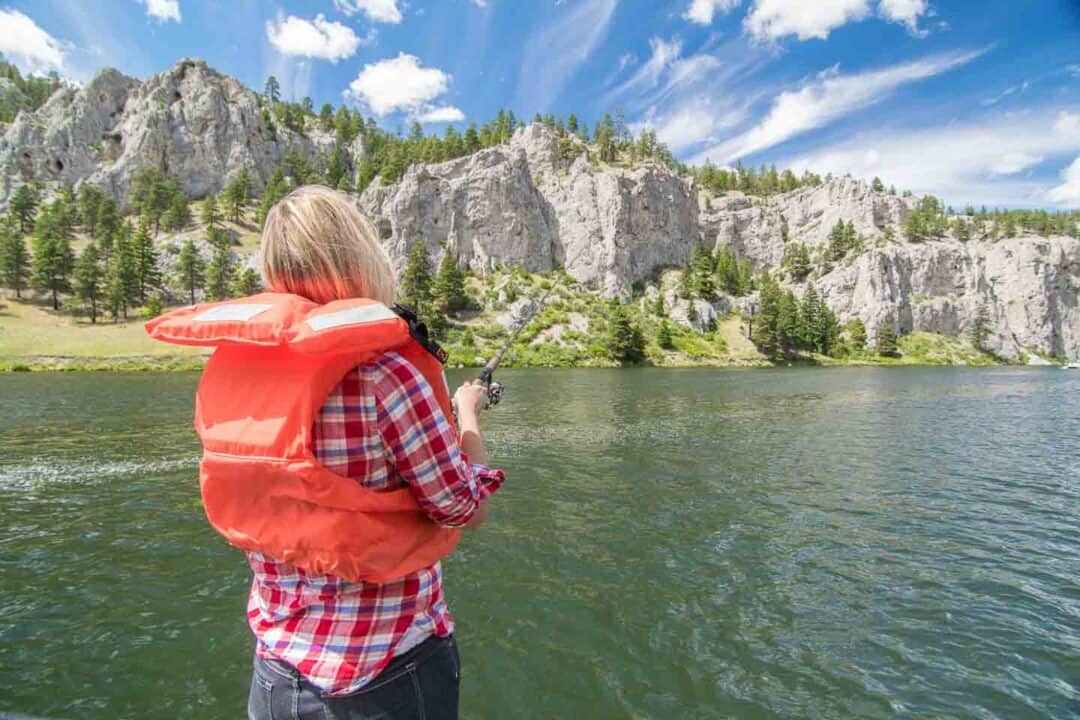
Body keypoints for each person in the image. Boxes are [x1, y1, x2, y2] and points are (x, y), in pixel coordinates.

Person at [151, 185, 504, 720]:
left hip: (275, 677)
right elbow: (464, 509)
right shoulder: (387, 377)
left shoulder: (238, 377)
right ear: (358, 256)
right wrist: (468, 412)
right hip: (388, 674)